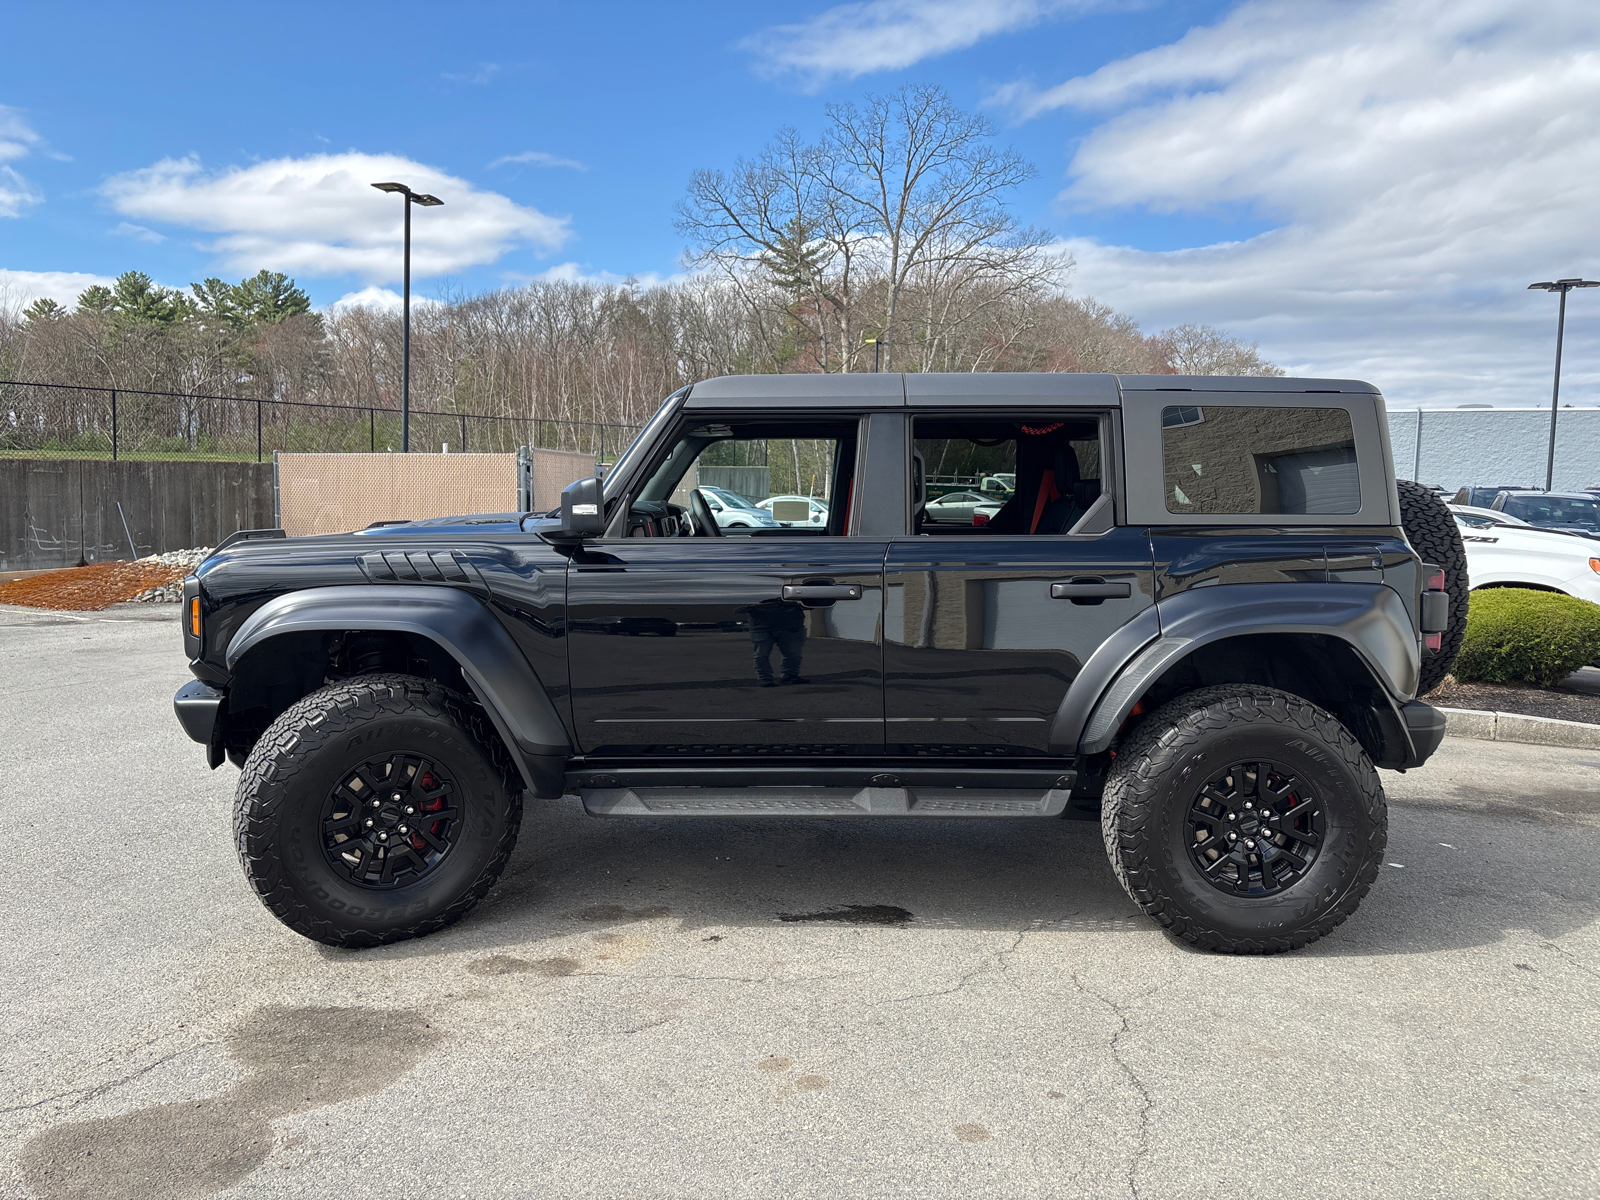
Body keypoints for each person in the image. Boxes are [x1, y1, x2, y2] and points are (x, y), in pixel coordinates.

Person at [744, 598, 807, 685]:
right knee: (762, 654)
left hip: (788, 627)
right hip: (764, 628)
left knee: (793, 654)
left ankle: (788, 676)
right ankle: (765, 678)